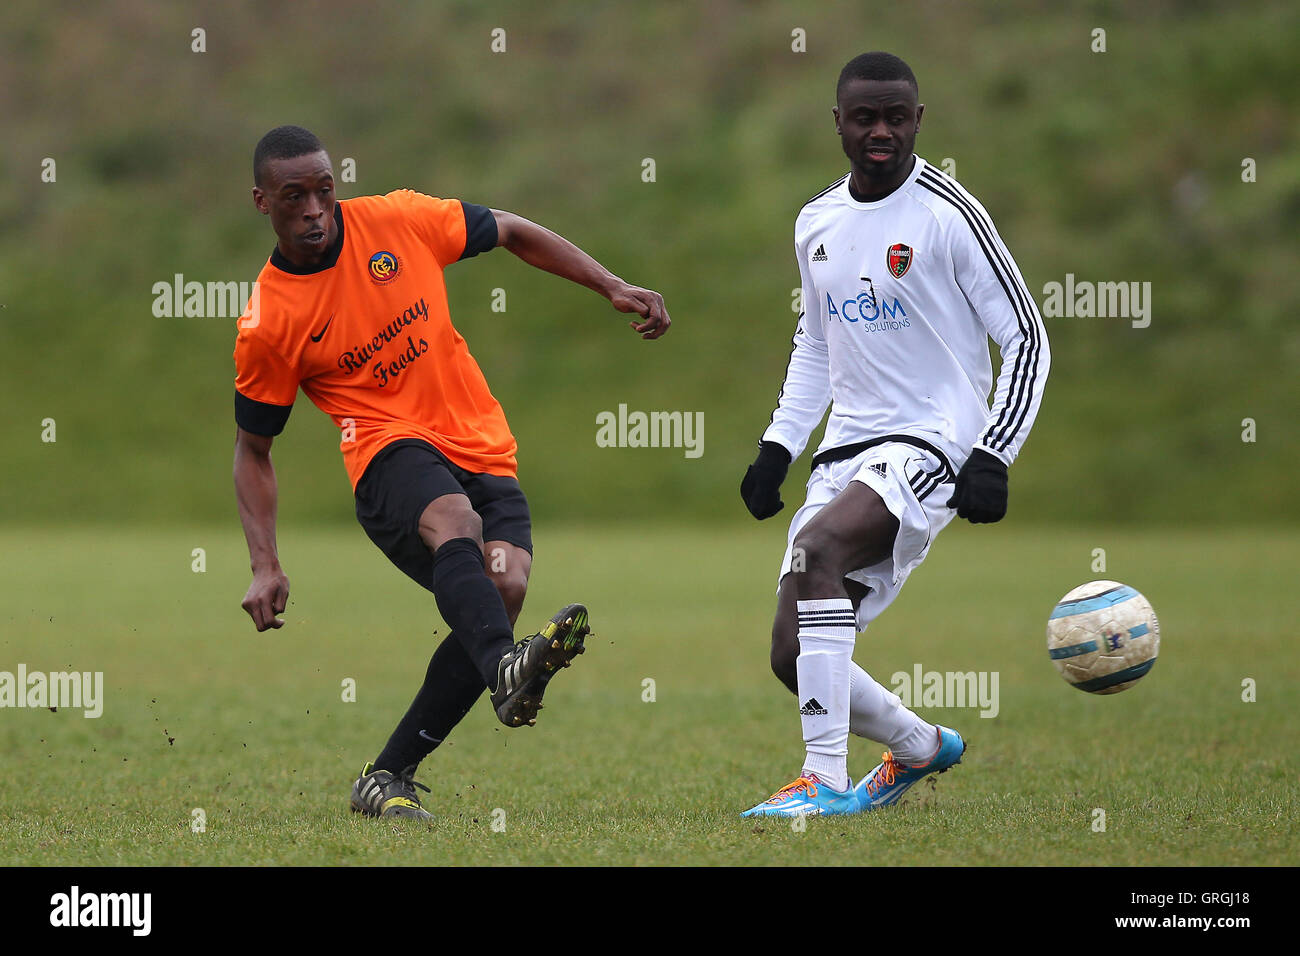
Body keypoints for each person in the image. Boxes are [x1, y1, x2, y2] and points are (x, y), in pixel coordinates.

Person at [232, 125, 670, 820]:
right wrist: (265, 563)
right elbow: (253, 450)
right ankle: (506, 670)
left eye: (323, 190)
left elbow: (512, 230)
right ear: (263, 201)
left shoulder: (398, 221)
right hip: (386, 457)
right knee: (457, 527)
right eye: (294, 197)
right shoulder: (269, 320)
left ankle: (386, 776)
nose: (314, 209)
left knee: (504, 585)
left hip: (480, 445)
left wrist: (609, 284)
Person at [739, 53, 1049, 816]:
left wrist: (992, 453)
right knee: (791, 652)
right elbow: (815, 340)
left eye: (897, 117)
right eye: (865, 117)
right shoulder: (817, 221)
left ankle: (823, 783)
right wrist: (778, 446)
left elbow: (1028, 338)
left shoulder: (948, 214)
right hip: (845, 449)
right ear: (838, 122)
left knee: (820, 553)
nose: (881, 131)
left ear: (918, 121)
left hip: (931, 442)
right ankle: (917, 745)